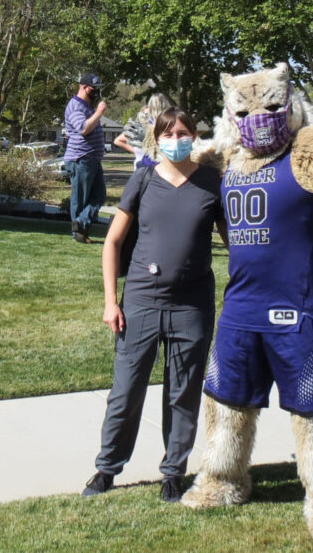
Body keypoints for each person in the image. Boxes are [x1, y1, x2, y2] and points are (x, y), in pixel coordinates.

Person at [82, 107, 226, 504]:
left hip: (192, 306)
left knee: (183, 392)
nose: (176, 138)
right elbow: (112, 243)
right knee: (126, 391)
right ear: (158, 138)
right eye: (169, 132)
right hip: (142, 301)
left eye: (183, 132)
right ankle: (107, 469)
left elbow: (235, 244)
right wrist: (111, 302)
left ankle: (172, 473)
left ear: (194, 136)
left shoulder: (213, 184)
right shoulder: (143, 179)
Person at [64, 73, 108, 243]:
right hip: (81, 158)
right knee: (80, 199)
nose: (97, 91)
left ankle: (81, 223)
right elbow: (83, 129)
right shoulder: (75, 105)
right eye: (94, 88)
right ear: (83, 86)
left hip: (92, 159)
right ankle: (79, 234)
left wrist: (95, 111)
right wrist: (99, 112)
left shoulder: (88, 105)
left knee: (99, 195)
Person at [113, 93, 173, 170]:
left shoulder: (161, 122)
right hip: (152, 163)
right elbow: (119, 140)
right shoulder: (167, 122)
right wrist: (135, 150)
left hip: (150, 164)